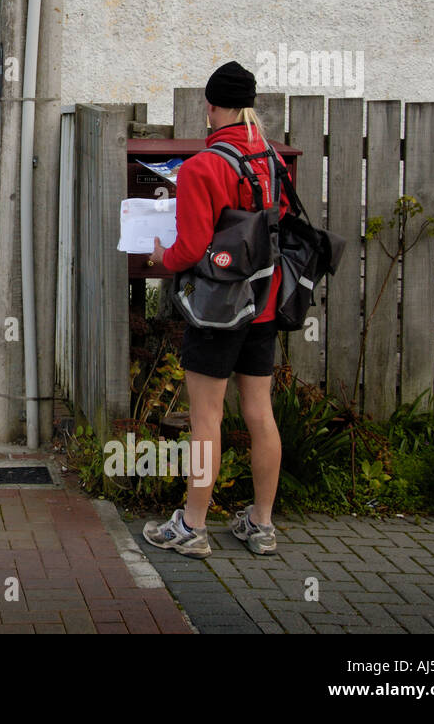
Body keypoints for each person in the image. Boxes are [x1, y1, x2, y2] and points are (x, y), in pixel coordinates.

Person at [143, 60, 289, 558]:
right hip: (263, 306)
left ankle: (193, 526)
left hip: (216, 311)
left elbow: (190, 248)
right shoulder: (270, 158)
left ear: (210, 107)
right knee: (259, 414)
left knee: (207, 419)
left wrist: (164, 256)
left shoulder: (205, 166)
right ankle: (262, 524)